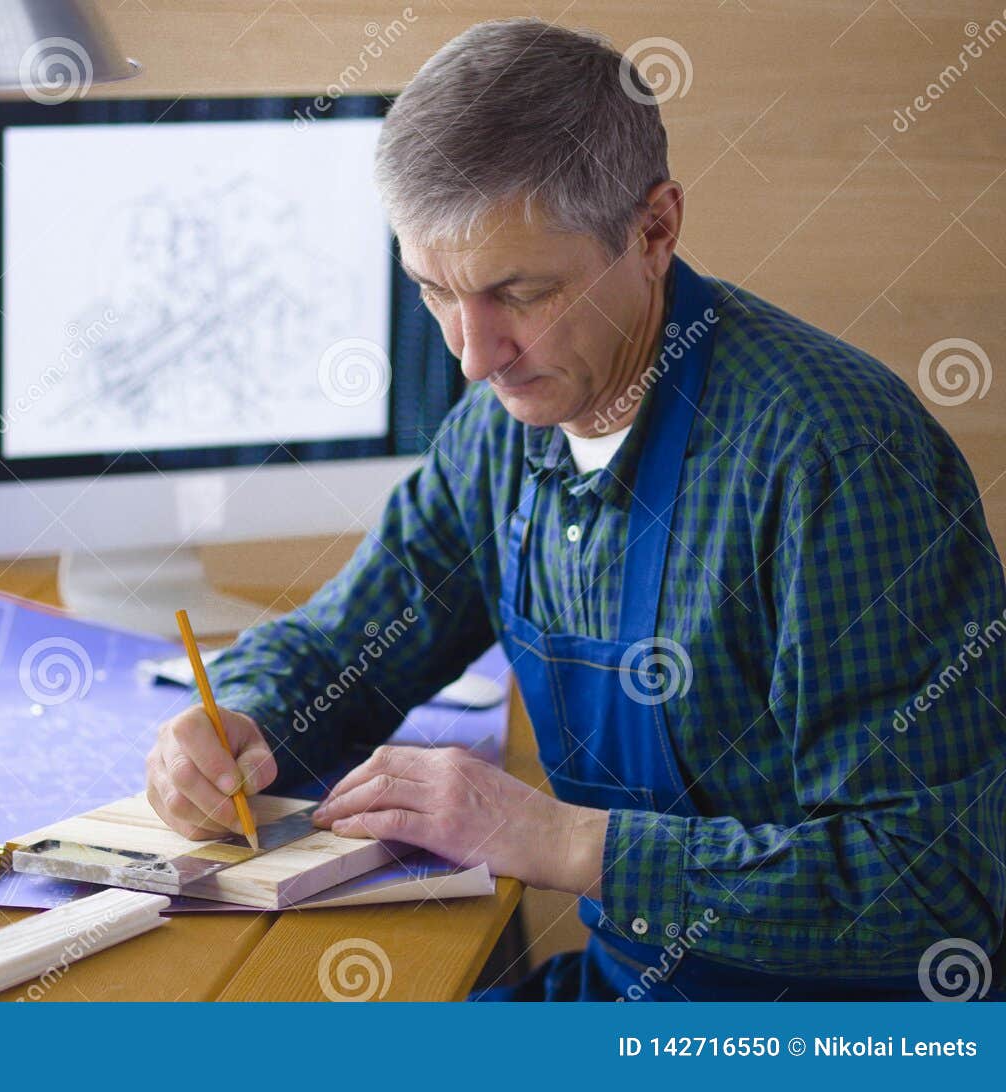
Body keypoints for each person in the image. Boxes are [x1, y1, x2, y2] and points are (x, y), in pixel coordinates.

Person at [143, 18, 1006, 1000]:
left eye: (520, 293)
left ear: (654, 230)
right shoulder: (496, 436)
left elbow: (945, 894)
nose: (474, 355)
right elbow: (346, 650)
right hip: (631, 995)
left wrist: (554, 839)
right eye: (435, 291)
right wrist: (236, 724)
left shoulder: (833, 459)